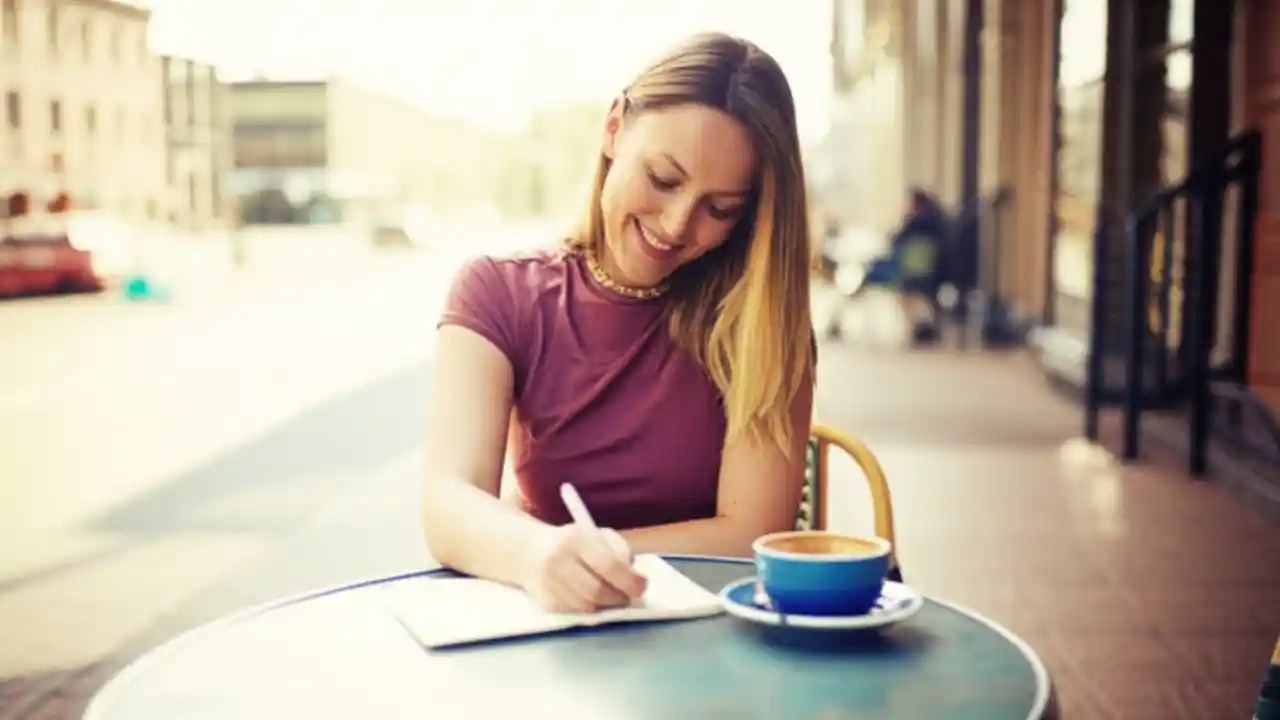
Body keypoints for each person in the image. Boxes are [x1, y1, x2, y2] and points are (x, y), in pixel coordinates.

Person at [421, 33, 816, 615]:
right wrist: (537, 557)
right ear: (613, 128)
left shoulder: (760, 320)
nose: (678, 225)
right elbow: (448, 500)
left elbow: (749, 538)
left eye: (721, 209)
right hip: (550, 631)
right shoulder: (496, 292)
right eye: (663, 178)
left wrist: (581, 557)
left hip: (711, 636)